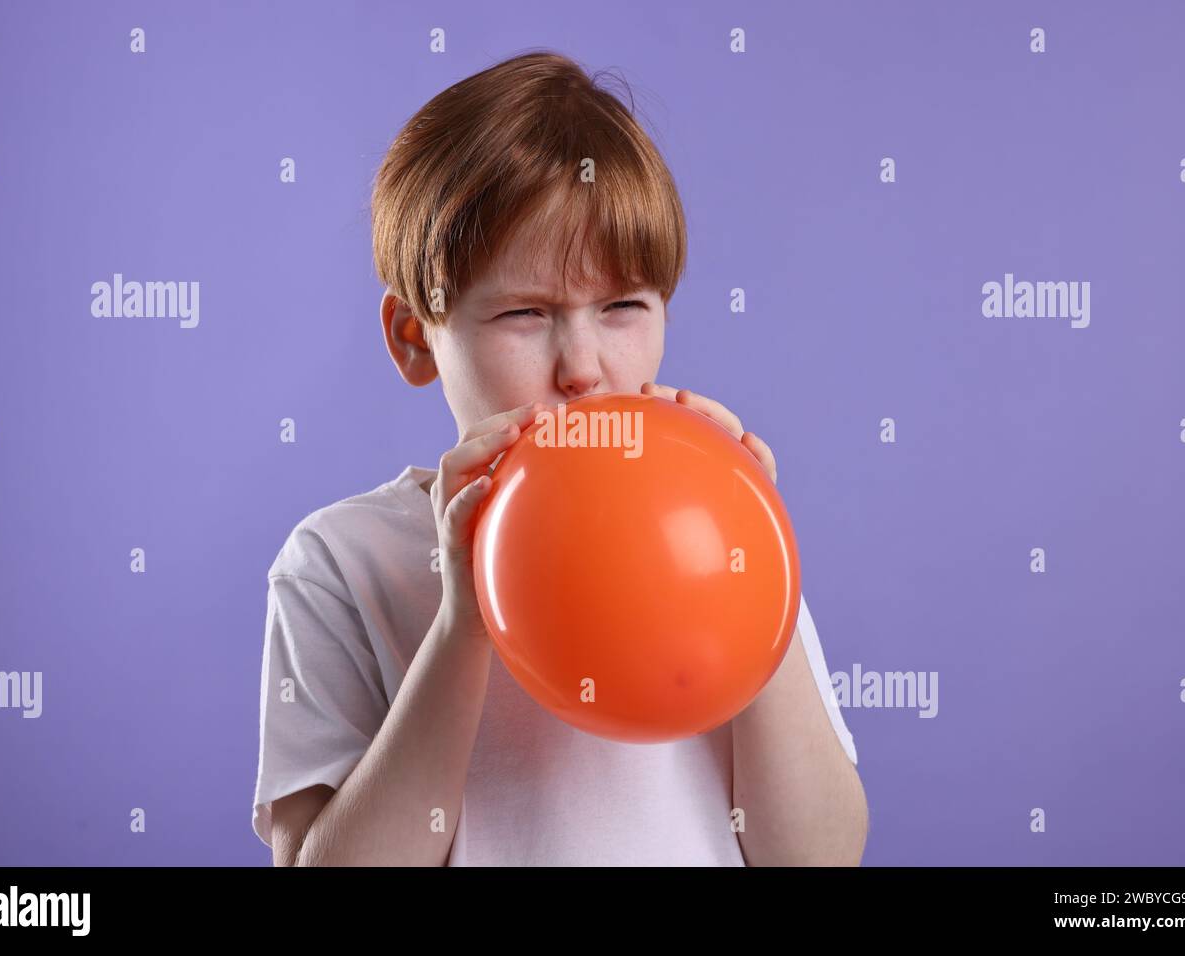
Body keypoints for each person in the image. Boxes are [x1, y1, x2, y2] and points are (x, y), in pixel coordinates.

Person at [252, 50, 868, 866]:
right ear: (415, 338)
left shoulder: (724, 535)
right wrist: (462, 626)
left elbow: (816, 859)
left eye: (622, 306)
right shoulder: (340, 561)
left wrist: (758, 570)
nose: (583, 367)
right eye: (524, 313)